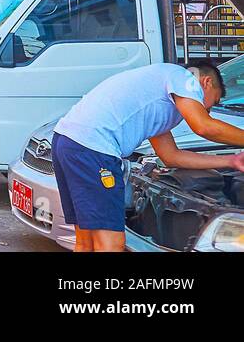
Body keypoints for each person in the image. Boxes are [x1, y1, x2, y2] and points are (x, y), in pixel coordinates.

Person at [52, 61, 244, 252]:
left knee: (86, 243)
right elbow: (204, 126)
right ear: (206, 82)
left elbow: (171, 156)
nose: (209, 110)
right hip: (92, 149)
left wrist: (230, 161)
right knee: (111, 244)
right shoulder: (184, 77)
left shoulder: (160, 95)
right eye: (214, 101)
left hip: (67, 142)